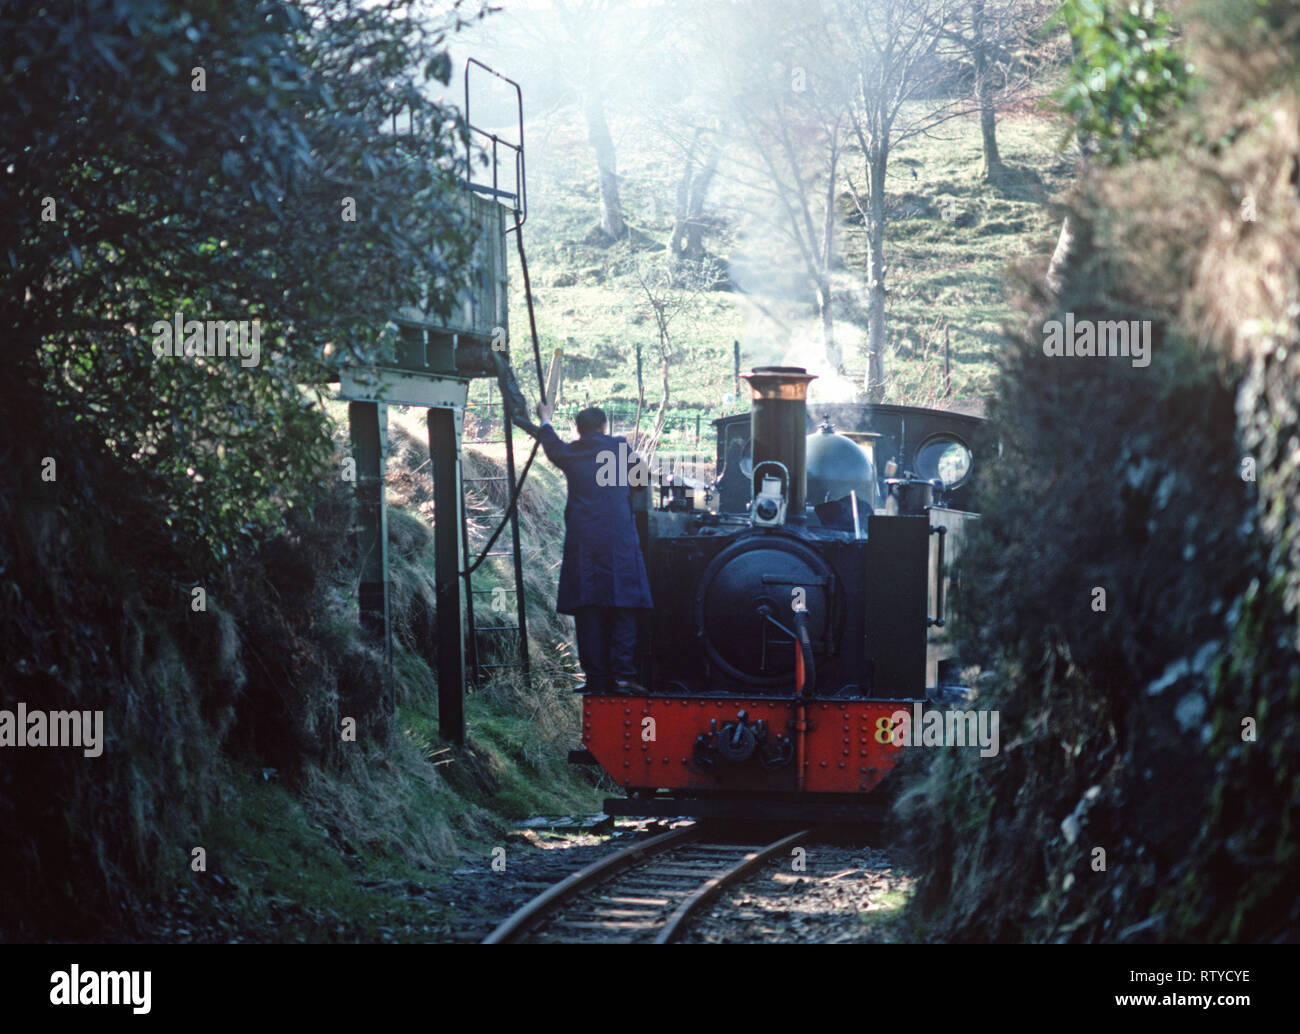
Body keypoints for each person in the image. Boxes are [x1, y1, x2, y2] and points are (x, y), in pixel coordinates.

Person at [535, 401, 652, 694]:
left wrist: (545, 419)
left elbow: (552, 447)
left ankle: (596, 679)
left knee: (588, 611)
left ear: (578, 429)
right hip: (619, 541)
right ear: (604, 427)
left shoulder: (572, 453)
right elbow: (642, 481)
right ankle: (624, 676)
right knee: (625, 606)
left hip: (584, 545)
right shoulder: (619, 448)